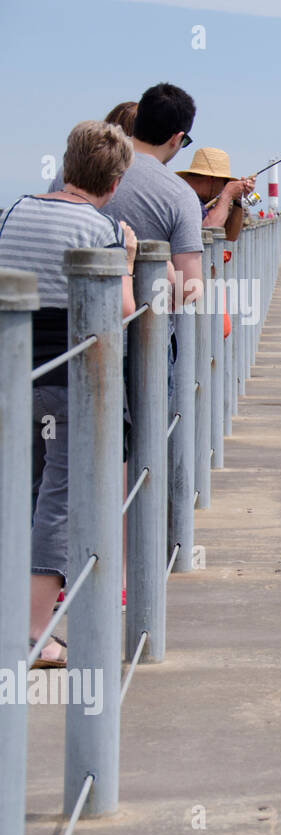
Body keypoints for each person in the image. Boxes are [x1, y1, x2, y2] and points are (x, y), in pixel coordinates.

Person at [0, 120, 137, 667]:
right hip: (67, 382)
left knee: (21, 489)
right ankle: (34, 631)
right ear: (116, 178)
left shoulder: (11, 212)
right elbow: (122, 312)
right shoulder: (98, 228)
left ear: (65, 161)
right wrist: (126, 261)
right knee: (61, 494)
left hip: (14, 375)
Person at [97, 83, 204, 408]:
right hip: (142, 344)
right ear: (177, 138)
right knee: (142, 443)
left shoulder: (71, 173)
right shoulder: (178, 193)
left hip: (69, 335)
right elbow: (189, 289)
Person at [174, 146, 254, 235]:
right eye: (225, 182)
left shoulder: (200, 200)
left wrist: (238, 201)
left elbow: (230, 235)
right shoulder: (185, 198)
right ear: (213, 179)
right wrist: (227, 194)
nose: (223, 188)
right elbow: (208, 229)